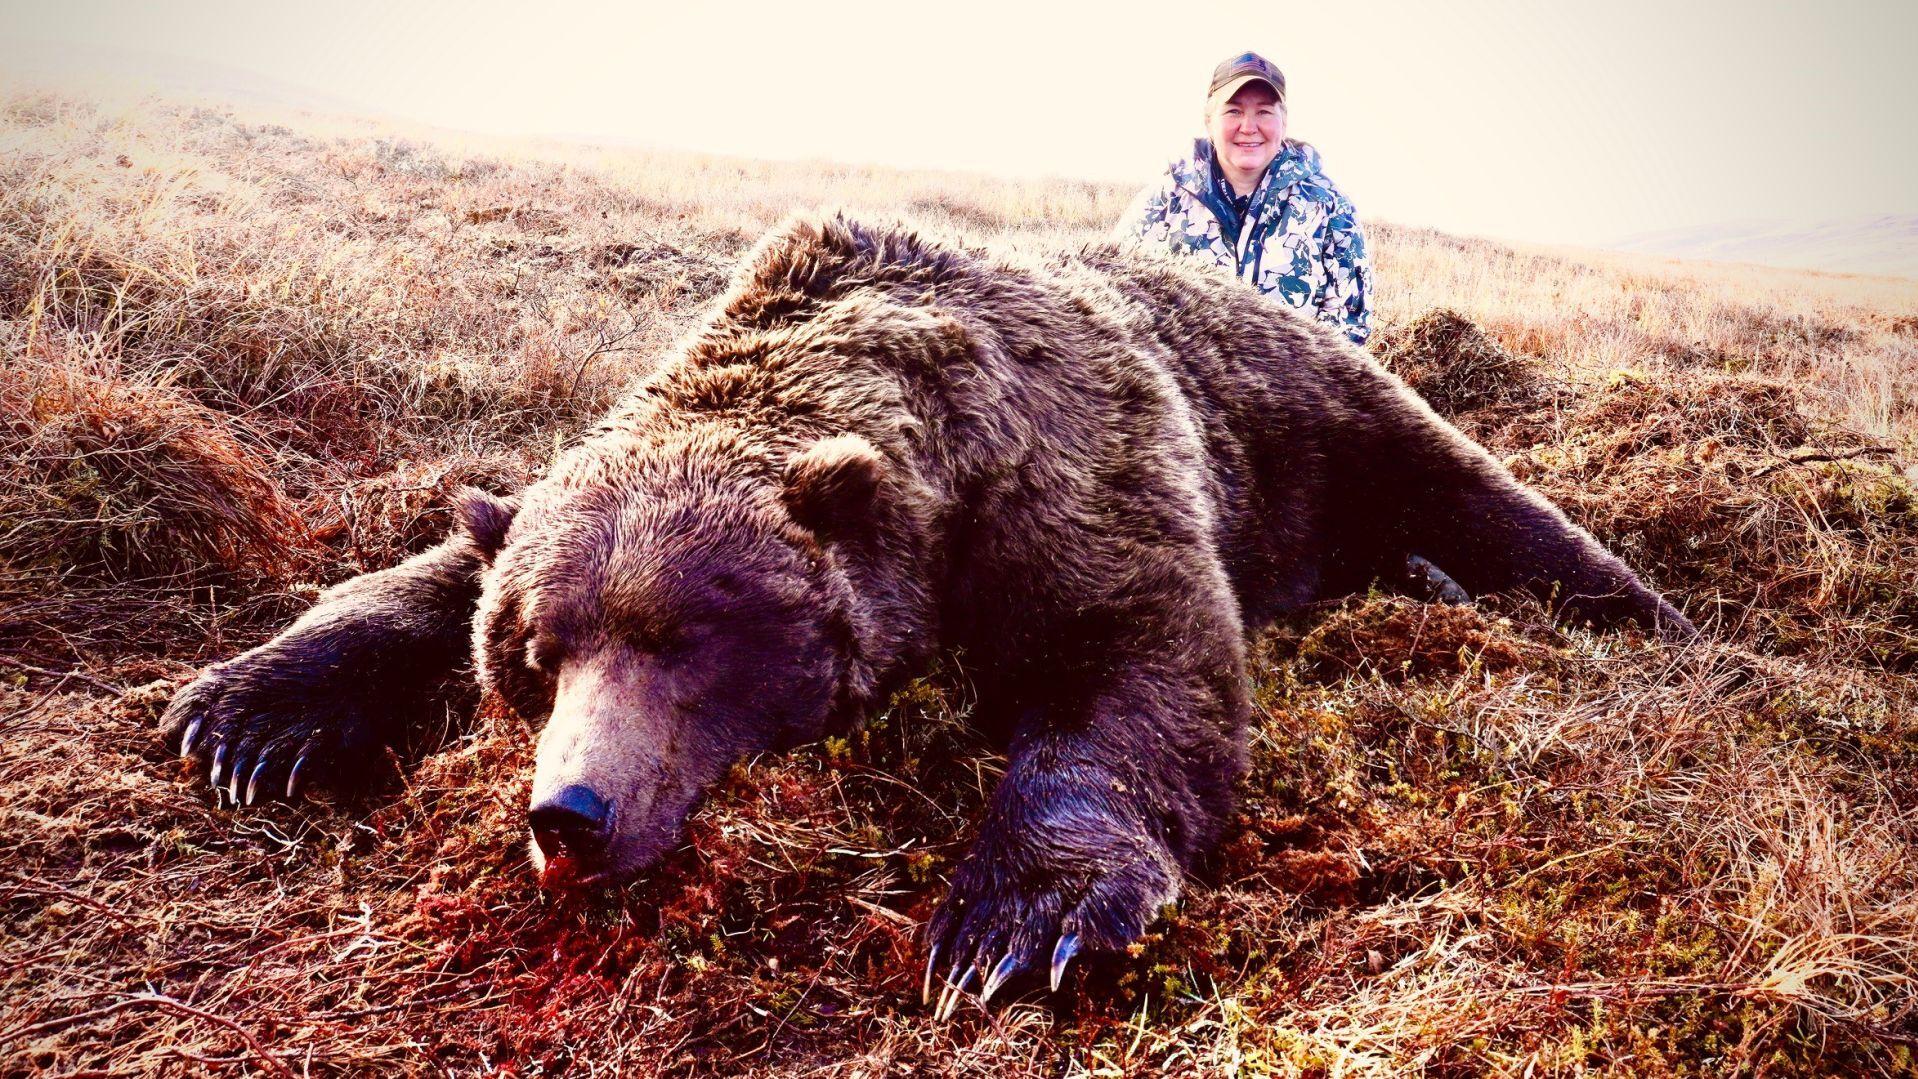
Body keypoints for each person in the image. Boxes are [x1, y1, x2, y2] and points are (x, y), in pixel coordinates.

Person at [1115, 51, 1373, 347]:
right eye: (1234, 111)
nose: (1249, 127)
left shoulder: (1329, 207)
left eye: (1264, 112)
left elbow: (1351, 326)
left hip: (1295, 389)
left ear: (1283, 121)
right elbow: (1117, 305)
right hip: (1186, 387)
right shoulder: (1161, 203)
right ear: (1209, 119)